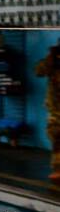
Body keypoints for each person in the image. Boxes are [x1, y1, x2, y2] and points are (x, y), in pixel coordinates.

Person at [34, 44, 60, 182]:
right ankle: (58, 168)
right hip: (56, 107)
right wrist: (52, 57)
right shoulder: (53, 62)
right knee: (55, 134)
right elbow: (39, 71)